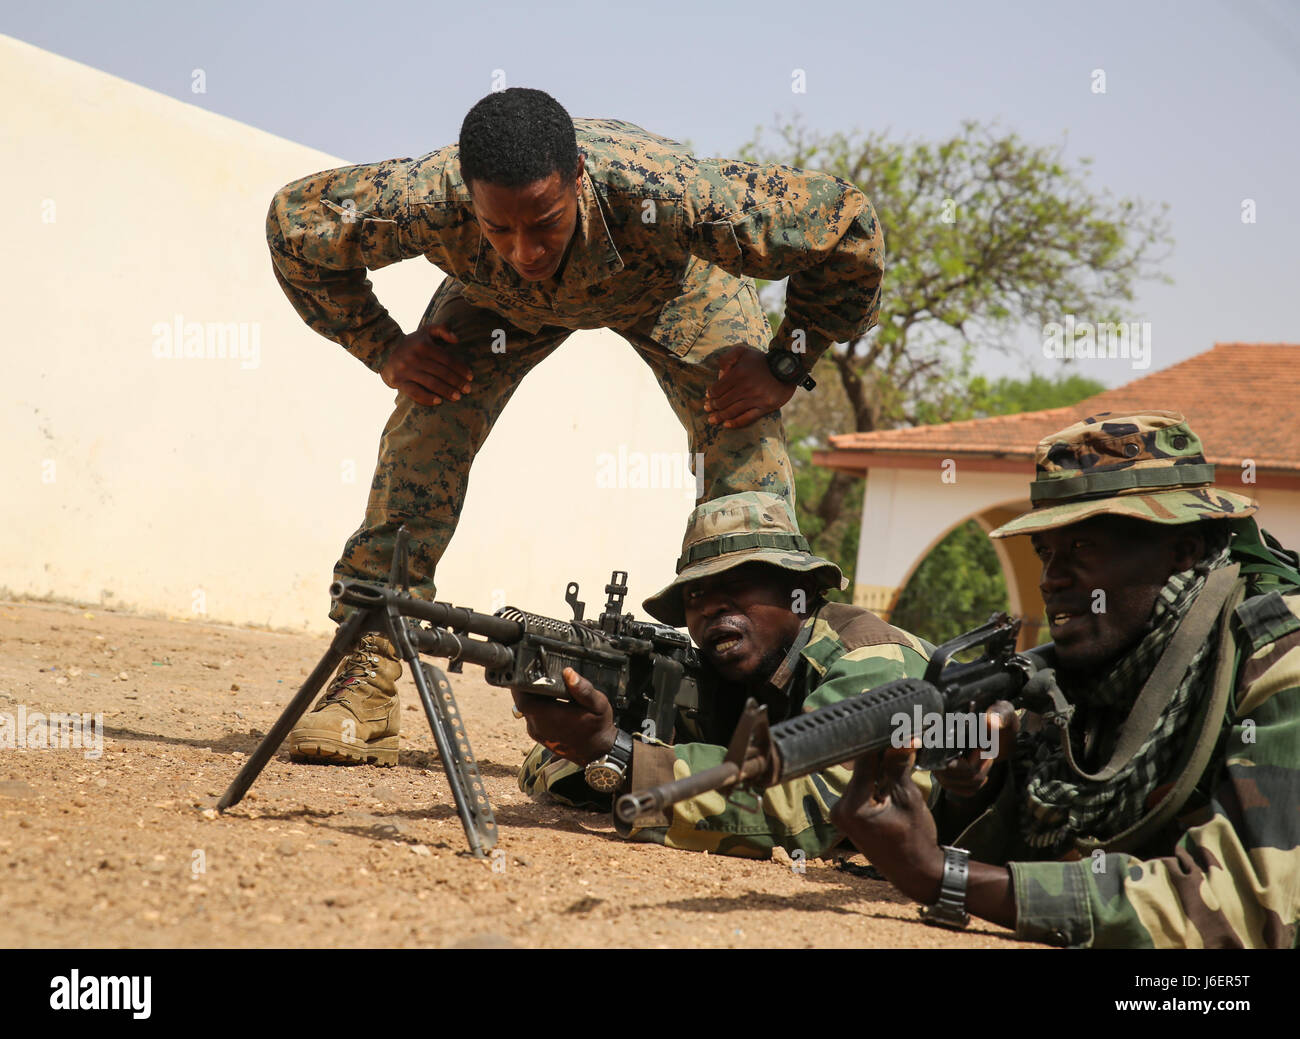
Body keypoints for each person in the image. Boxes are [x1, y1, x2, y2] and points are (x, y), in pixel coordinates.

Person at [267, 87, 885, 766]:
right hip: (499, 305)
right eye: (497, 228)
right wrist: (383, 347)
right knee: (426, 422)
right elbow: (295, 225)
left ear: (580, 183)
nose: (525, 248)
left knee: (745, 439)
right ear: (467, 200)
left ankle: (762, 691)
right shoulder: (421, 199)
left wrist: (788, 360)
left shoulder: (671, 192)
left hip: (670, 285)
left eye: (544, 222)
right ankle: (368, 674)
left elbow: (846, 224)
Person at [830, 411, 1300, 948]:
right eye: (1046, 553)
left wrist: (943, 878)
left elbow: (1247, 911)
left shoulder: (1277, 652)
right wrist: (974, 787)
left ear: (1183, 550)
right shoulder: (1094, 669)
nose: (1052, 578)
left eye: (1082, 548)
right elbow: (1044, 857)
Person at [514, 491, 932, 857]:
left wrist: (619, 754)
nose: (711, 606)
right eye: (695, 593)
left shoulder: (872, 661)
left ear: (799, 590)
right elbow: (544, 768)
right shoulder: (717, 677)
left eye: (739, 582)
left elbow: (815, 810)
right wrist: (593, 736)